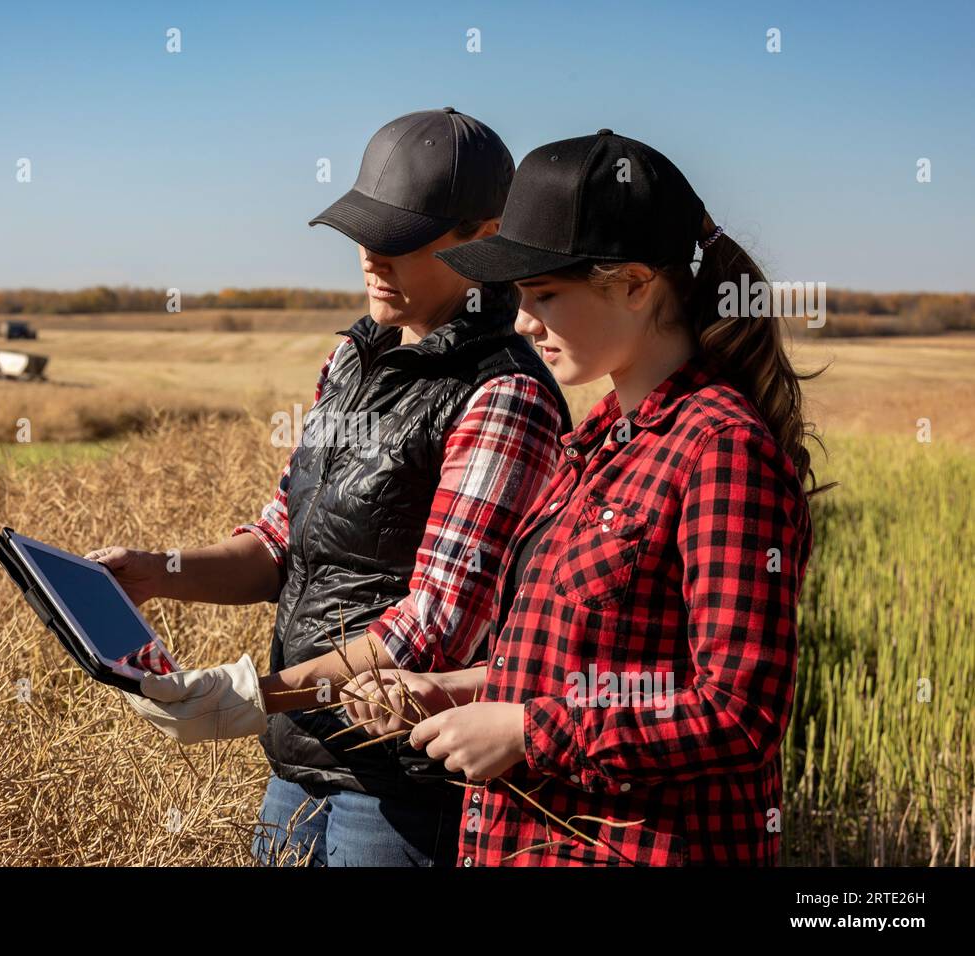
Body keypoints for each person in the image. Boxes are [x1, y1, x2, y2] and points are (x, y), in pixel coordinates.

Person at [87, 109, 569, 866]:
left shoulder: (504, 394)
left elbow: (439, 623)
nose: (373, 257)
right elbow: (282, 539)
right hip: (301, 766)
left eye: (402, 240)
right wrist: (159, 571)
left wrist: (258, 694)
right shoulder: (354, 356)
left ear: (484, 239)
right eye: (364, 235)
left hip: (402, 788)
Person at [346, 129, 820, 865]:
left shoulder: (722, 451)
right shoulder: (597, 442)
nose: (524, 322)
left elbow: (736, 713)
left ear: (633, 283)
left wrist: (526, 734)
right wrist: (448, 690)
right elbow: (567, 668)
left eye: (544, 295)